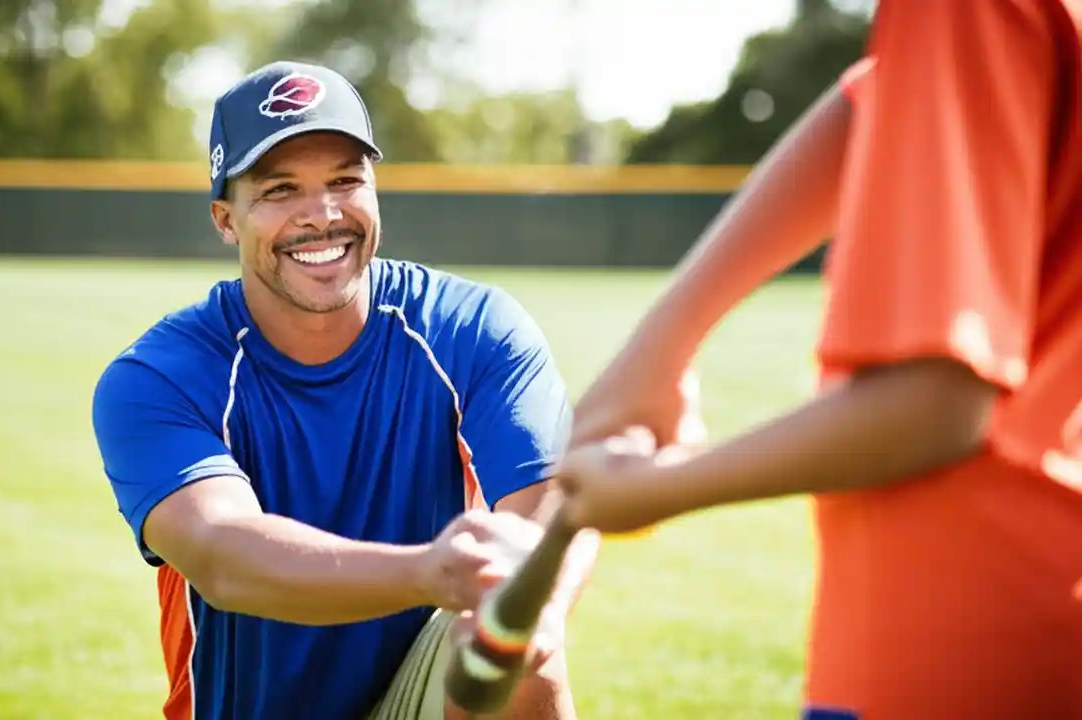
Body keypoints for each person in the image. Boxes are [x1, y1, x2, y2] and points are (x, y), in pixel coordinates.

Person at [557, 0, 1082, 717]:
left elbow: (935, 404)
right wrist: (659, 349)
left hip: (952, 638)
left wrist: (658, 486)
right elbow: (877, 95)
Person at [91, 61, 595, 720]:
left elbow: (550, 513)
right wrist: (427, 572)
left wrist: (534, 611)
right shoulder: (158, 378)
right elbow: (223, 555)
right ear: (225, 218)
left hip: (416, 697)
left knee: (515, 643)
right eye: (279, 190)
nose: (321, 214)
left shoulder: (473, 328)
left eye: (345, 180)